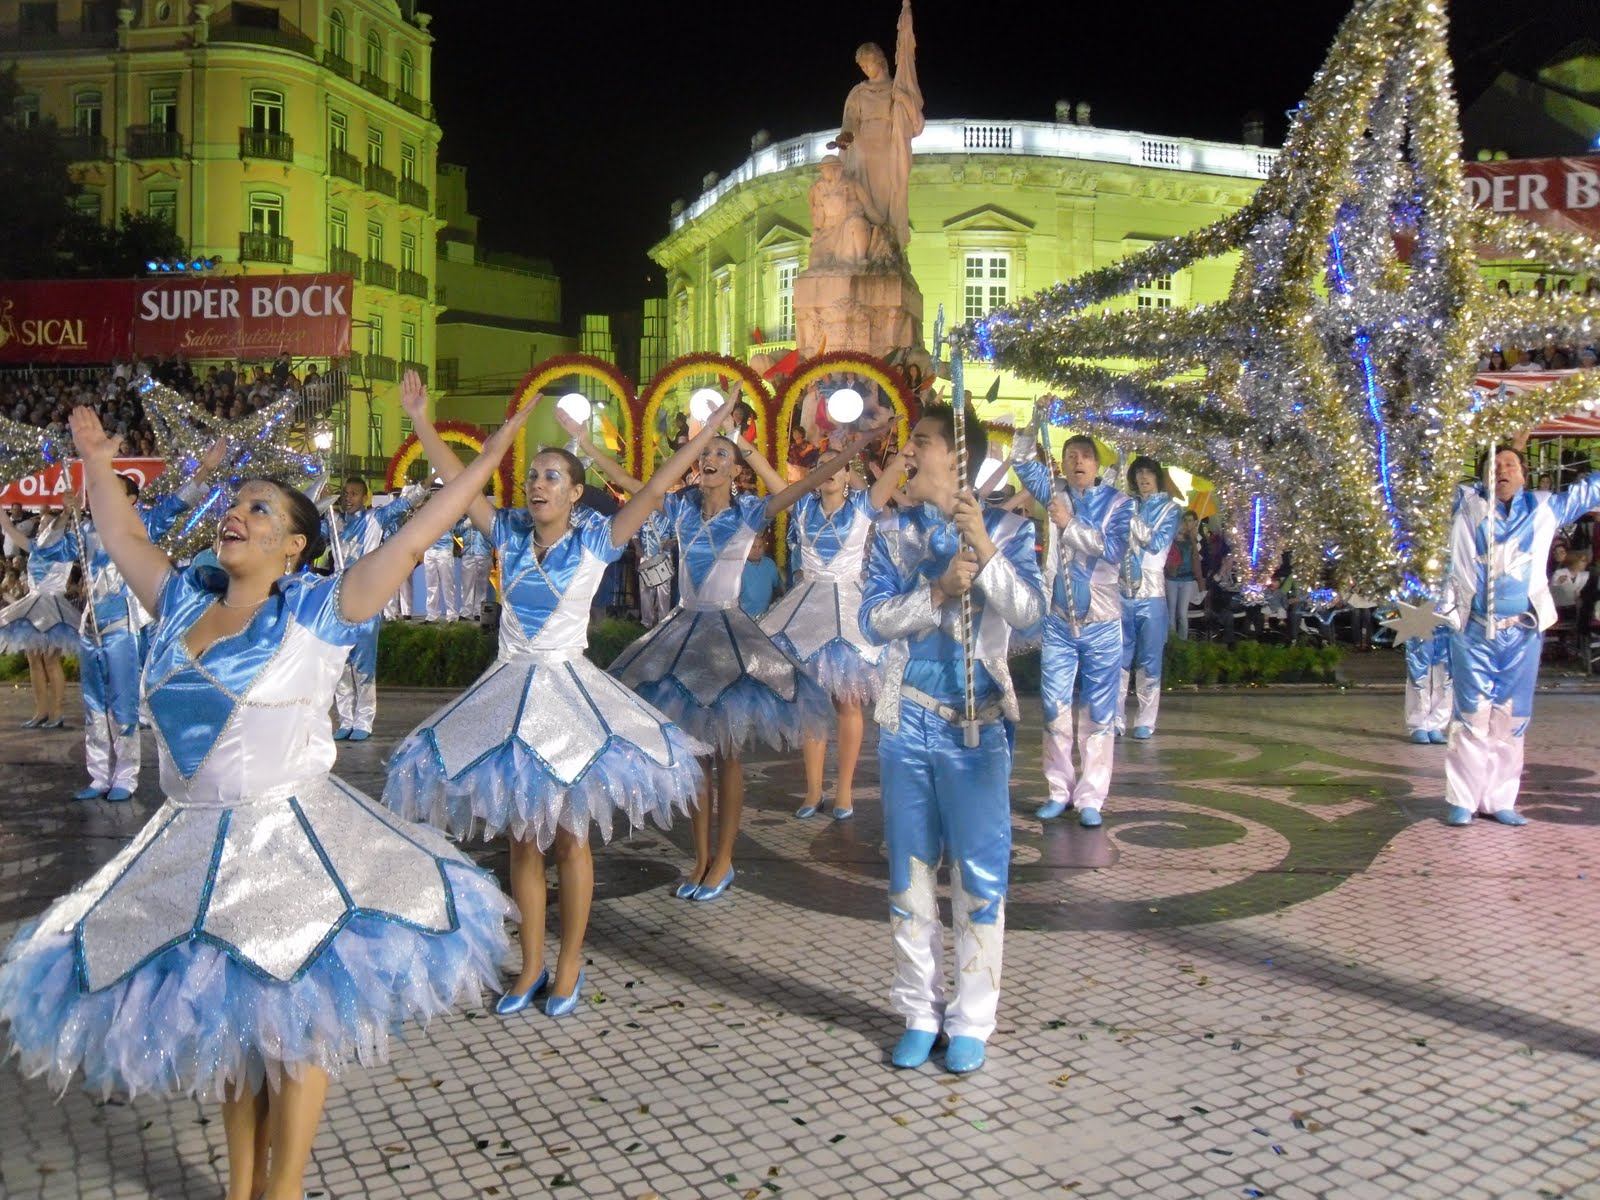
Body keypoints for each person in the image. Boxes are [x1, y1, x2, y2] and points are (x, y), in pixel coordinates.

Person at [0, 401, 528, 1200]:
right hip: (190, 843)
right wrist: (98, 461)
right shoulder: (181, 599)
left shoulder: (319, 610)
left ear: (294, 546)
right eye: (237, 503)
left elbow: (419, 534)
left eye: (260, 509)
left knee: (297, 1024)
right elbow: (124, 536)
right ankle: (242, 1185)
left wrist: (491, 452)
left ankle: (282, 1191)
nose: (237, 515)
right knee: (232, 1027)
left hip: (290, 845)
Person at [384, 372, 719, 1018]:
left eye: (552, 477)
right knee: (520, 839)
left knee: (569, 839)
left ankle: (568, 964)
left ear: (574, 493)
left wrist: (706, 435)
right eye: (534, 475)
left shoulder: (595, 541)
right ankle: (531, 962)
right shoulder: (508, 535)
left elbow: (654, 488)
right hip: (508, 695)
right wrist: (421, 419)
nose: (538, 484)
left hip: (567, 699)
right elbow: (460, 481)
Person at [608, 401, 867, 901]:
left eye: (721, 455)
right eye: (705, 454)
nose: (710, 460)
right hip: (683, 638)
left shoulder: (749, 512)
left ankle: (723, 860)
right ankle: (700, 858)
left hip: (727, 640)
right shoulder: (681, 508)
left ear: (734, 470)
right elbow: (633, 484)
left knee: (727, 757)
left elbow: (802, 487)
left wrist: (852, 452)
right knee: (697, 760)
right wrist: (585, 443)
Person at [860, 402, 1045, 1074]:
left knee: (979, 875)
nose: (908, 452)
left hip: (977, 726)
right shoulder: (890, 533)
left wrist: (986, 550)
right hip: (906, 723)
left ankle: (972, 1017)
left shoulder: (1007, 528)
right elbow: (873, 620)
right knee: (909, 877)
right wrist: (936, 591)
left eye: (922, 441)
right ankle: (918, 1009)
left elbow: (1032, 613)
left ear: (957, 456)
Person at [1443, 443, 1600, 826]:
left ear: (1524, 475)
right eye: (1494, 464)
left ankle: (1499, 799)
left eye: (1510, 464)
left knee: (1511, 717)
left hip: (1523, 632)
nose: (1502, 470)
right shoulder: (1464, 505)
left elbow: (1590, 490)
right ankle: (1463, 799)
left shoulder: (1545, 507)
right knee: (1471, 714)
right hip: (1473, 630)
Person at [762, 438, 904, 819]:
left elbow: (890, 477)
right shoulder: (801, 506)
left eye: (835, 465)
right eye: (820, 466)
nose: (827, 471)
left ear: (846, 475)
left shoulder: (861, 506)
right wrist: (741, 442)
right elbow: (770, 478)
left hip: (850, 608)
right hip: (807, 611)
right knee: (811, 703)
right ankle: (813, 791)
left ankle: (844, 791)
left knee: (849, 701)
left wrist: (901, 453)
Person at [68, 452, 224, 801]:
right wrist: (68, 514)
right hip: (90, 626)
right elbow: (50, 552)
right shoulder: (86, 530)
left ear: (131, 500)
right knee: (93, 704)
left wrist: (205, 470)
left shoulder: (139, 527)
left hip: (121, 625)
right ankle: (98, 776)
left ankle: (125, 776)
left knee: (122, 702)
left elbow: (174, 505)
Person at [1011, 418, 1132, 827]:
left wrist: (1070, 525)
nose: (1077, 462)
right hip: (1059, 622)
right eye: (1070, 456)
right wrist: (1035, 420)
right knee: (1053, 707)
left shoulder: (1120, 504)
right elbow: (1021, 459)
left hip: (1102, 623)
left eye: (1084, 457)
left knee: (1099, 711)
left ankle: (1091, 797)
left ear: (1096, 464)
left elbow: (1113, 550)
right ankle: (1058, 790)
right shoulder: (1054, 490)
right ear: (1062, 464)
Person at [324, 476, 421, 741]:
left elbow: (403, 505)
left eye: (354, 493)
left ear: (365, 497)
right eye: (345, 493)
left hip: (366, 601)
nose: (348, 498)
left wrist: (426, 484)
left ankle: (364, 720)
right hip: (338, 602)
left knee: (364, 665)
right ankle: (345, 719)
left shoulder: (374, 519)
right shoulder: (333, 522)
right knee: (341, 665)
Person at [835, 0, 924, 258]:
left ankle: (885, 239)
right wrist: (846, 136)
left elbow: (915, 123)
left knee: (887, 196)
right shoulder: (858, 92)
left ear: (880, 61)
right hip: (863, 148)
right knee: (862, 195)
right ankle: (865, 241)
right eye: (862, 67)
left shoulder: (897, 88)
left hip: (887, 147)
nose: (865, 69)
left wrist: (903, 100)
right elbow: (850, 120)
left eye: (868, 64)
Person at [0, 501, 82, 729]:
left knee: (50, 660)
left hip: (53, 608)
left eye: (46, 523)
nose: (42, 526)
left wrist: (69, 511)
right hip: (32, 605)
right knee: (34, 659)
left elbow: (67, 523)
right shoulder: (34, 547)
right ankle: (40, 711)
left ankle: (56, 713)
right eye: (41, 524)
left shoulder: (67, 548)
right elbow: (8, 527)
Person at [1116, 456, 1181, 739]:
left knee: (1149, 659)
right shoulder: (1125, 503)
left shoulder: (1170, 509)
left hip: (1152, 595)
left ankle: (1145, 719)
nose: (1143, 478)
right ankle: (1115, 717)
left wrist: (1128, 517)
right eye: (1138, 473)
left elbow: (1155, 543)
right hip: (1120, 592)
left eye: (1148, 473)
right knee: (1117, 658)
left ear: (1157, 477)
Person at [1404, 625, 1452, 744]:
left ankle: (1436, 724)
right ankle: (1417, 724)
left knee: (1445, 674)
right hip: (1421, 621)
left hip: (1449, 623)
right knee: (1419, 673)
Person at [1165, 510, 1203, 639]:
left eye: (1189, 521)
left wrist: (1193, 538)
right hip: (1172, 578)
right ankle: (1172, 641)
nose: (1185, 524)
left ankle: (1183, 642)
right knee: (1171, 612)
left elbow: (1197, 558)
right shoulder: (1171, 539)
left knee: (1182, 613)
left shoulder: (1191, 540)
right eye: (1184, 521)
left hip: (1187, 579)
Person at [458, 503, 494, 621]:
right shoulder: (463, 517)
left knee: (482, 585)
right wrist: (465, 524)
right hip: (468, 553)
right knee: (466, 584)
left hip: (483, 553)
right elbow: (456, 531)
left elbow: (492, 533)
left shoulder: (487, 516)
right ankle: (466, 612)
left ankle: (479, 611)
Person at [739, 533, 784, 618]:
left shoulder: (769, 564)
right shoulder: (739, 568)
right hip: (745, 618)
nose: (757, 550)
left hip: (767, 617)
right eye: (753, 547)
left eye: (760, 547)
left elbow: (778, 588)